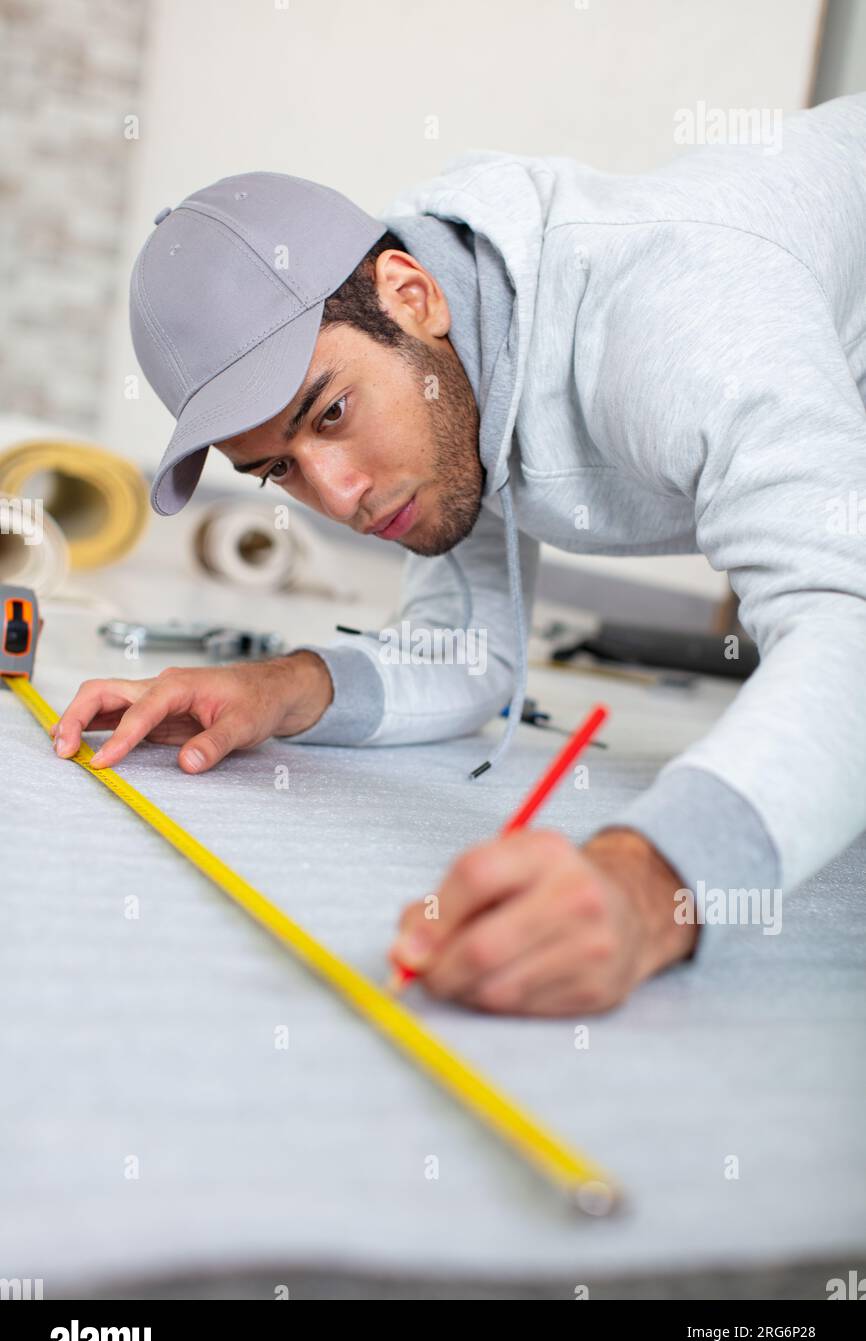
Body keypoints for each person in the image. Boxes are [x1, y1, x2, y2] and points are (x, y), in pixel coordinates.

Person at [54, 93, 866, 1016]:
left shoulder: (684, 316)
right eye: (281, 468)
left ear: (411, 294)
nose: (340, 497)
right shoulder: (454, 365)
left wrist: (652, 884)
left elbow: (848, 627)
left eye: (331, 413)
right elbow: (471, 654)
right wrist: (276, 690)